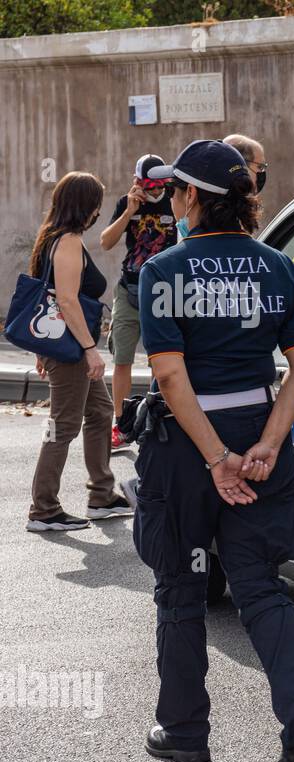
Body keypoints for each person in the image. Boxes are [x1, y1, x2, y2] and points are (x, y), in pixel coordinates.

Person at [135, 140, 294, 762]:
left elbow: (169, 375)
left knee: (181, 582)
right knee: (258, 585)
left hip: (188, 447)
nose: (173, 202)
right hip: (257, 434)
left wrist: (215, 457)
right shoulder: (278, 266)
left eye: (175, 192)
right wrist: (267, 444)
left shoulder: (163, 271)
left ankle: (185, 730)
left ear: (192, 196)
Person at [26, 172, 134, 532]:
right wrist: (91, 350)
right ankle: (43, 509)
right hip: (72, 348)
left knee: (101, 411)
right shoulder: (68, 241)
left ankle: (101, 494)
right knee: (63, 425)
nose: (98, 211)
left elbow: (47, 297)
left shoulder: (50, 238)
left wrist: (42, 350)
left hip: (63, 346)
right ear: (84, 206)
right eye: (96, 204)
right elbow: (68, 301)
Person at [99, 154, 178, 449]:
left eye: (161, 186)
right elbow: (106, 242)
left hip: (163, 291)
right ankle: (121, 422)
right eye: (151, 186)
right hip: (129, 288)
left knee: (162, 360)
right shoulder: (128, 203)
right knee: (122, 359)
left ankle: (163, 416)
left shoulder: (174, 199)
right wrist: (128, 210)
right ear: (138, 183)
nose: (157, 191)